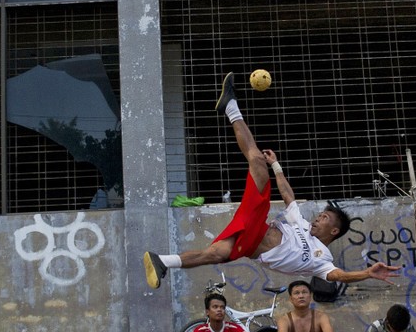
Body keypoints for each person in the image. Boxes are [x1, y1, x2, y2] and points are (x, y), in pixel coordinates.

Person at [143, 72, 400, 290]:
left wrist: (366, 273)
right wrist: (276, 165)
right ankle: (230, 105)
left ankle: (162, 261)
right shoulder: (301, 224)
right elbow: (288, 196)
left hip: (251, 244)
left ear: (334, 231)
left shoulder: (323, 259)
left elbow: (339, 276)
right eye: (321, 215)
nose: (318, 218)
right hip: (256, 219)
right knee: (257, 162)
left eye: (324, 219)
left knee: (214, 254)